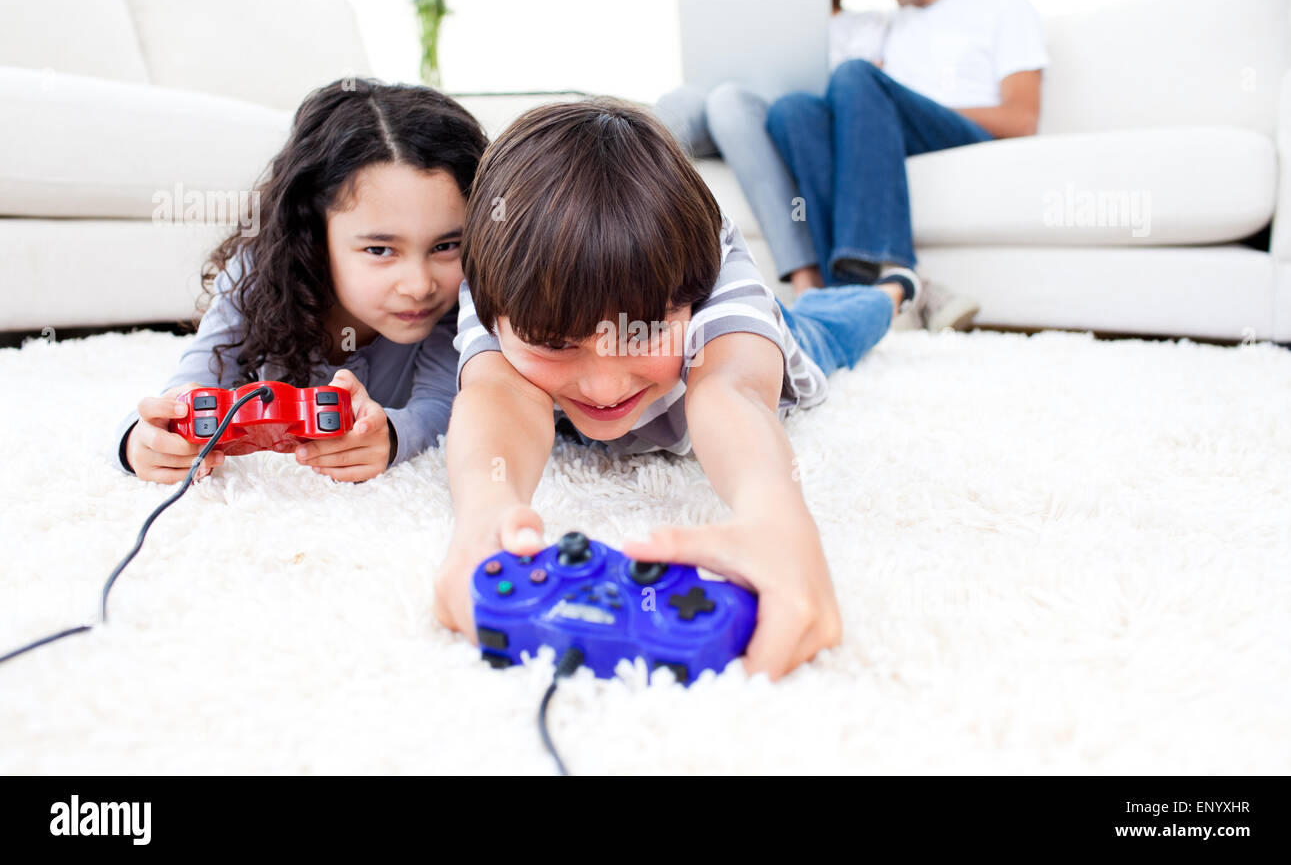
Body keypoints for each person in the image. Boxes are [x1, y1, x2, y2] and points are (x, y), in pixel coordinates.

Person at [431, 97, 922, 681]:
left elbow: (729, 391)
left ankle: (897, 290)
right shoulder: (504, 272)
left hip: (780, 344)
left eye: (640, 335)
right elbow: (496, 396)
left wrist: (777, 518)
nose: (606, 385)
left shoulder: (709, 266)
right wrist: (485, 511)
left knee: (839, 324)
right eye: (555, 344)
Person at [112, 79, 487, 484]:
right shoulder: (256, 275)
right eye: (380, 250)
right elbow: (189, 388)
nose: (418, 285)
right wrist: (139, 440)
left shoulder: (459, 299)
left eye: (446, 245)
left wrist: (392, 437)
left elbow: (441, 406)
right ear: (313, 232)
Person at [766, 0, 1049, 329]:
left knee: (856, 75)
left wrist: (903, 103)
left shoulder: (1001, 5)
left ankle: (886, 269)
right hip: (892, 132)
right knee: (792, 111)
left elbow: (1021, 118)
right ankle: (849, 290)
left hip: (961, 133)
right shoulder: (891, 24)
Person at [655, 0, 887, 299]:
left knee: (728, 102)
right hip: (721, 118)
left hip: (777, 124)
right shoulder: (750, 17)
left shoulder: (862, 27)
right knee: (676, 103)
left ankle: (805, 273)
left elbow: (860, 108)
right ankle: (612, 229)